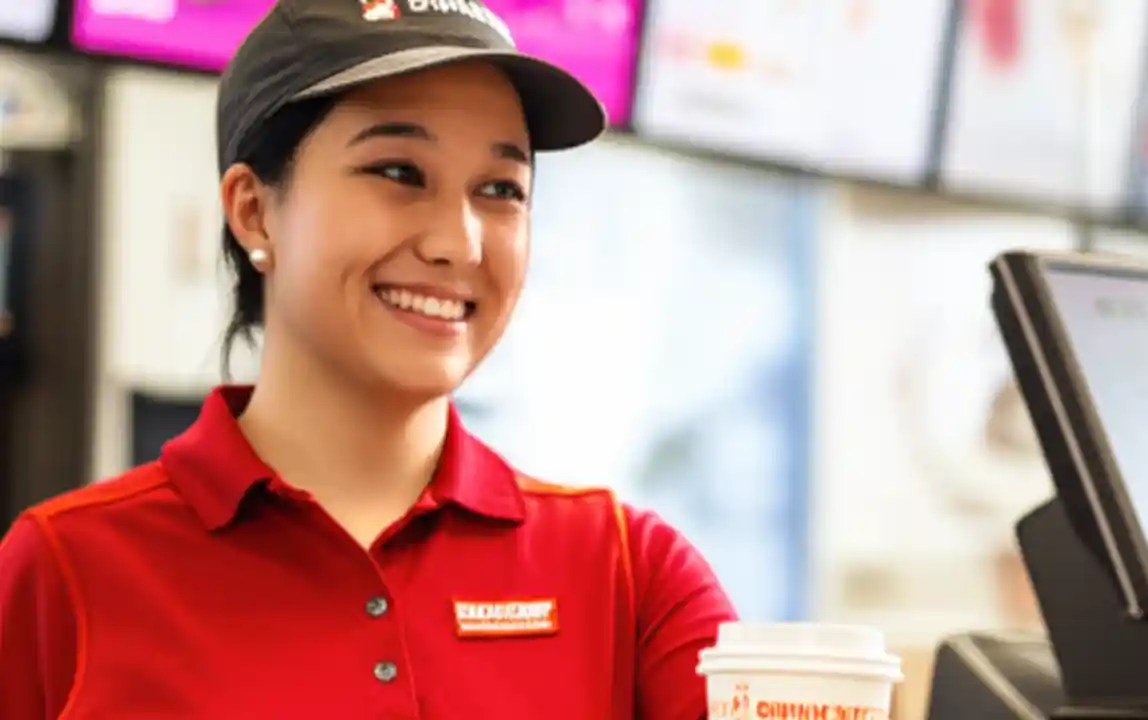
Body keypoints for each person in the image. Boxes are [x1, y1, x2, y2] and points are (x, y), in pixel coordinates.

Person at [0, 1, 737, 717]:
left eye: (499, 190)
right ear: (255, 210)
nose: (459, 242)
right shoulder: (64, 571)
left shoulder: (633, 578)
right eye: (397, 172)